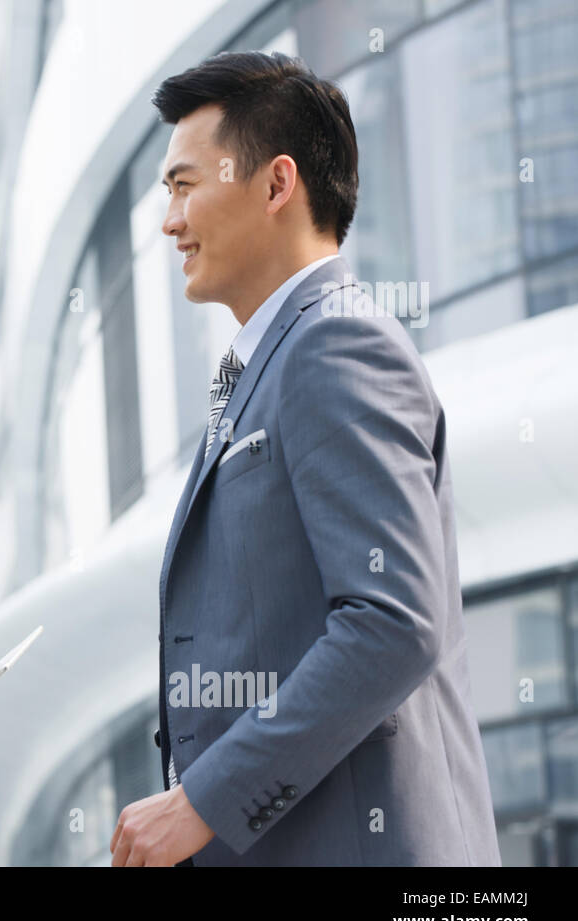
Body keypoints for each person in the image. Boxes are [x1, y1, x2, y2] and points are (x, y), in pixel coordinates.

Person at [109, 52, 500, 866]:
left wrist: (204, 800)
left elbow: (393, 623)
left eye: (184, 187)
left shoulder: (336, 343)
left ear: (276, 184)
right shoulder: (262, 366)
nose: (168, 221)